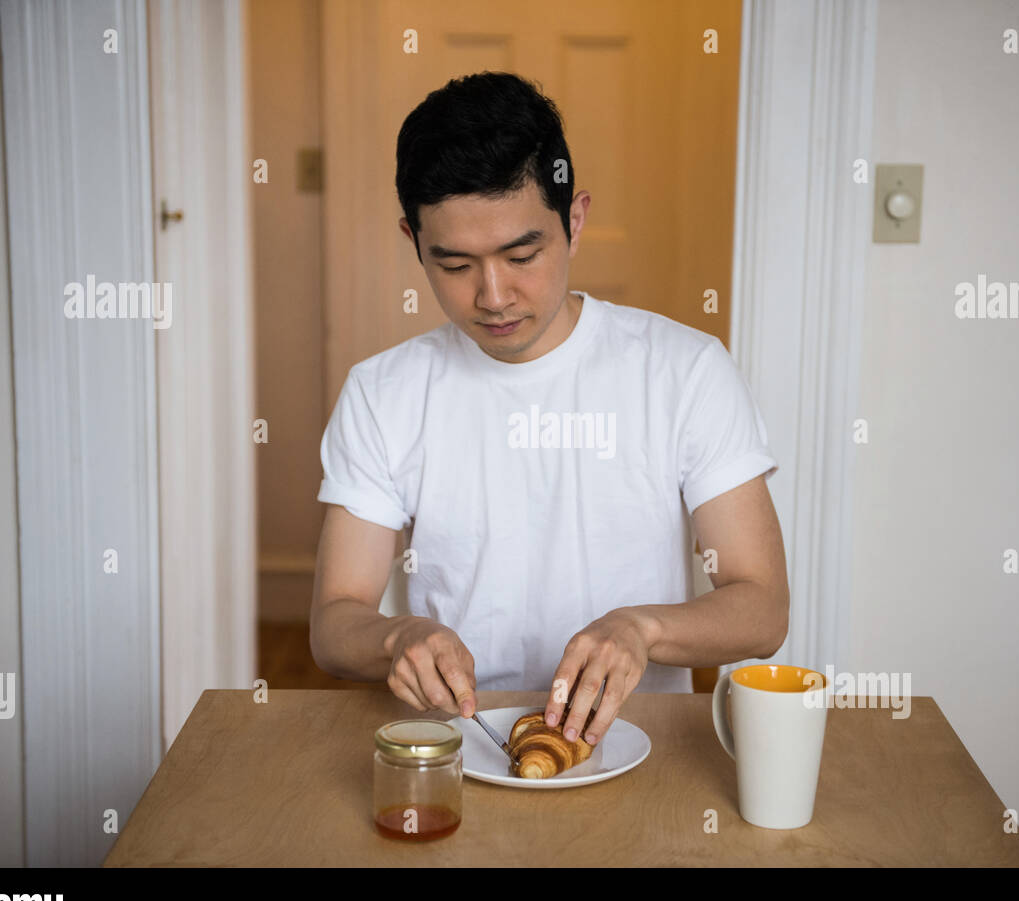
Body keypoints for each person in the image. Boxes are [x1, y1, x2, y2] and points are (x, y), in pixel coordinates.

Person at [310, 71, 789, 748]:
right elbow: (334, 620)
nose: (494, 295)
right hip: (459, 745)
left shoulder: (684, 370)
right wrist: (398, 635)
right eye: (454, 264)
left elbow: (762, 605)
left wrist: (642, 628)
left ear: (577, 219)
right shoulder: (383, 392)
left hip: (635, 741)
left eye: (523, 254)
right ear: (413, 240)